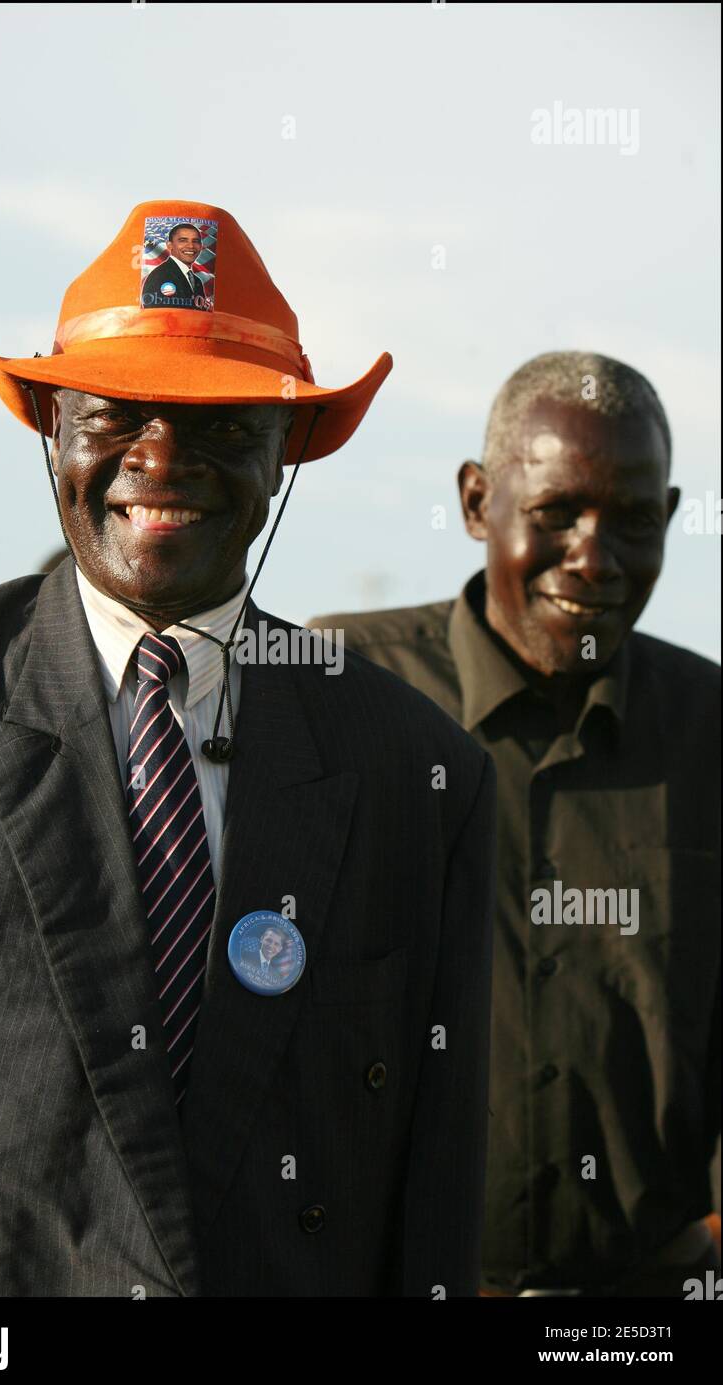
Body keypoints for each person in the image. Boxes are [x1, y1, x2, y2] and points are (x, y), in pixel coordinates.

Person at [0, 198, 496, 1299]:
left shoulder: (417, 774)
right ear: (52, 426)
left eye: (218, 425)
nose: (162, 460)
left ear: (282, 455)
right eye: (118, 415)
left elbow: (430, 1194)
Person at [309, 351, 721, 1298]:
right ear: (475, 501)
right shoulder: (331, 693)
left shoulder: (710, 732)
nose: (593, 557)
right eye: (556, 513)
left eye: (631, 519)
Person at [141, 221, 209, 310]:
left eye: (195, 241)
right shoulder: (159, 276)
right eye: (183, 240)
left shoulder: (197, 282)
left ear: (201, 246)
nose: (191, 246)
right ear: (169, 245)